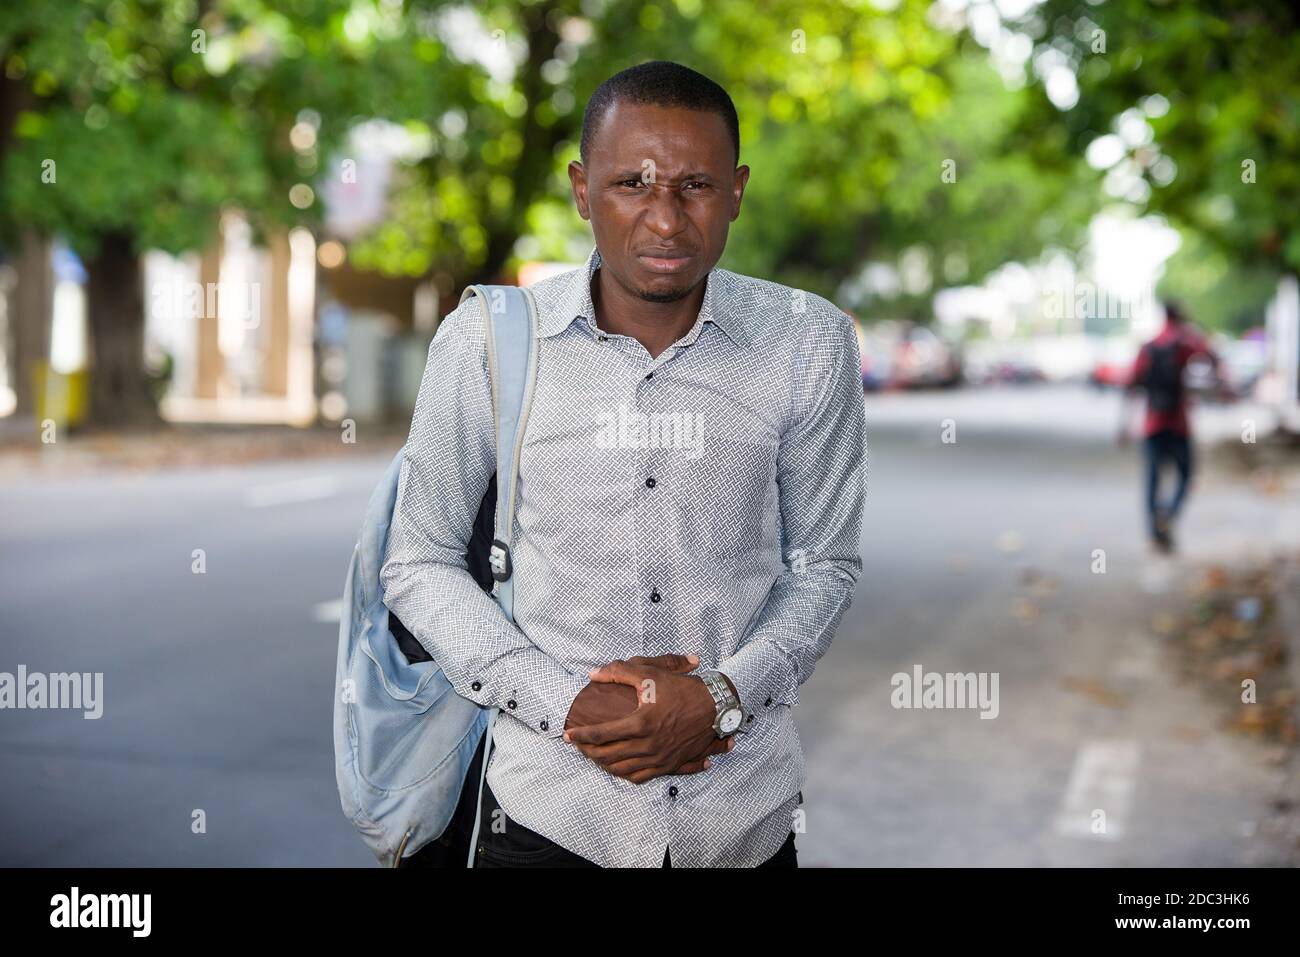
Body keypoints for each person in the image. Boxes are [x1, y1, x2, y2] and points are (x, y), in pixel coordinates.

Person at [379, 60, 866, 867]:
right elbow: (419, 561)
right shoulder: (490, 342)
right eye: (632, 184)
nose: (666, 220)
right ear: (581, 189)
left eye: (695, 185)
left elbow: (825, 565)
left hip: (740, 820)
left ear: (737, 190)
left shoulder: (806, 342)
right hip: (547, 816)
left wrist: (722, 697)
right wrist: (569, 704)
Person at [1120, 301, 1222, 553]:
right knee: (1185, 476)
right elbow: (1212, 358)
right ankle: (1169, 513)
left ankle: (1155, 535)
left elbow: (1131, 383)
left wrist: (1123, 424)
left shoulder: (1149, 346)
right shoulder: (1185, 342)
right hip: (1179, 423)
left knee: (1153, 480)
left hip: (1152, 424)